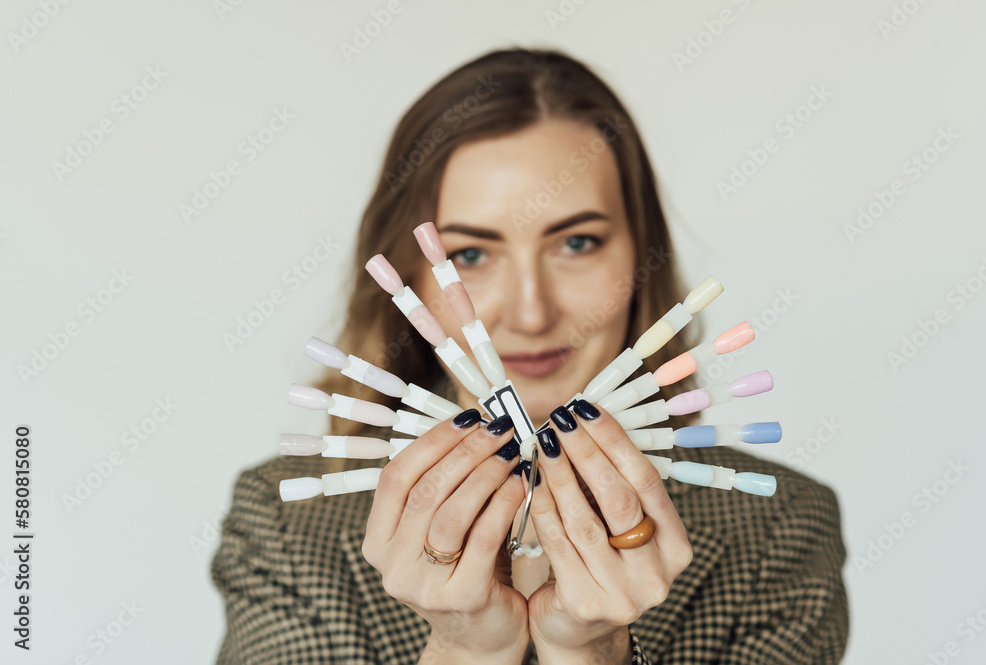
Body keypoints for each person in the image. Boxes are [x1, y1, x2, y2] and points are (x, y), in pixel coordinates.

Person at [211, 47, 849, 664]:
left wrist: (593, 654)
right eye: (469, 254)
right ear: (408, 278)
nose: (531, 312)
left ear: (638, 256)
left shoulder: (776, 529)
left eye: (576, 242)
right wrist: (464, 653)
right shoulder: (285, 530)